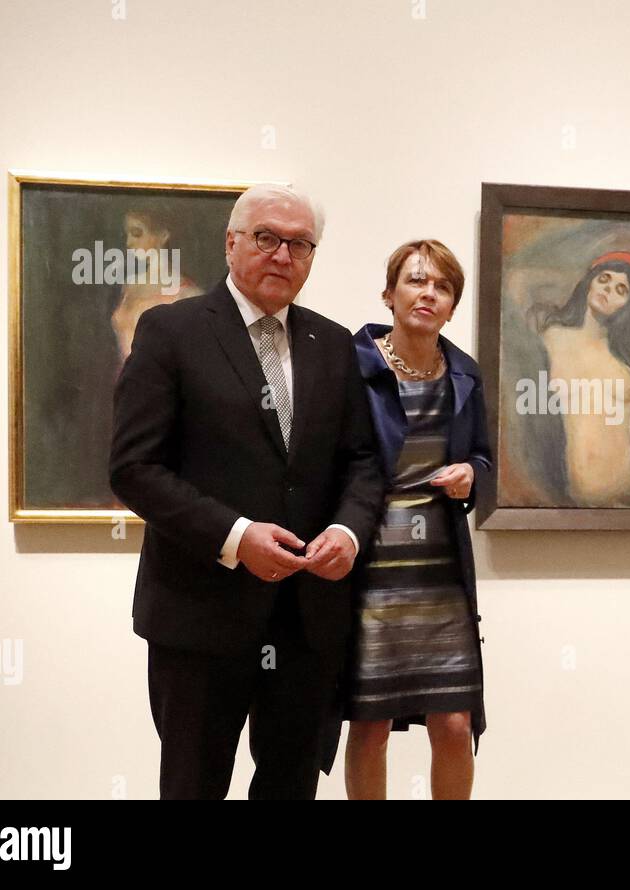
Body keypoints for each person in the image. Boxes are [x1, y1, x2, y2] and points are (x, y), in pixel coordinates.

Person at [109, 184, 384, 799]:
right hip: (201, 612)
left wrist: (347, 530)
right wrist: (235, 538)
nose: (282, 255)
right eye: (266, 238)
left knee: (290, 787)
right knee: (193, 787)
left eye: (300, 244)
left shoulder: (334, 344)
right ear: (231, 242)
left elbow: (363, 461)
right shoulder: (170, 331)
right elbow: (133, 467)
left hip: (307, 620)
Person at [342, 239, 492, 800]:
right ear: (389, 293)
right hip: (372, 563)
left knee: (454, 724)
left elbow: (483, 457)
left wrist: (471, 475)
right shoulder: (353, 366)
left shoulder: (465, 374)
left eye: (443, 286)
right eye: (416, 280)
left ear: (452, 306)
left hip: (441, 571)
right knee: (371, 722)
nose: (428, 293)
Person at [528, 251, 630, 505]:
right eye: (604, 278)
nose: (608, 289)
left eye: (621, 289)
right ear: (589, 281)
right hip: (570, 494)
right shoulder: (551, 338)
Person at [110, 203, 203, 363]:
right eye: (128, 234)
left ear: (163, 235)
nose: (129, 243)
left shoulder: (187, 294)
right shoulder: (130, 286)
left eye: (137, 233)